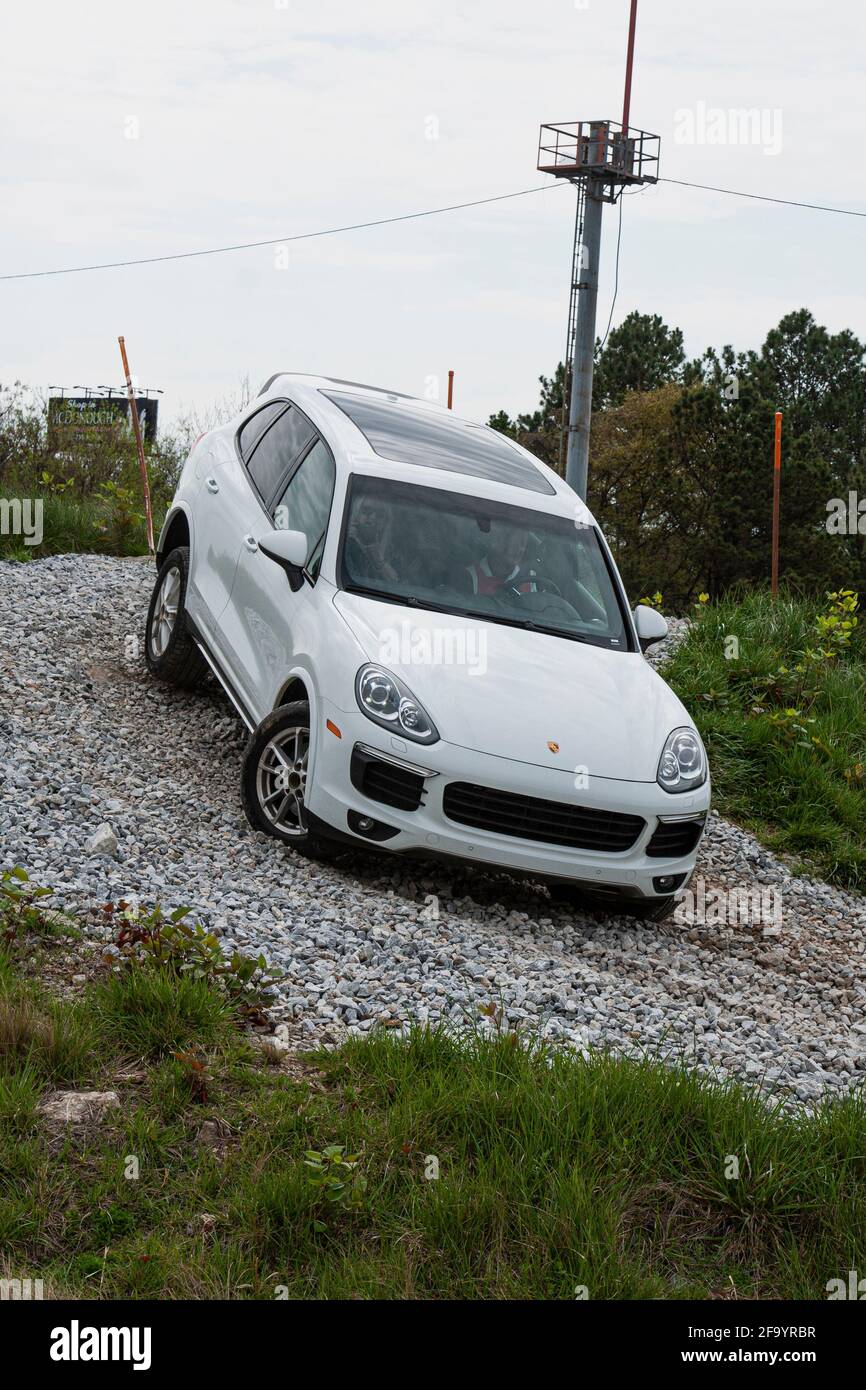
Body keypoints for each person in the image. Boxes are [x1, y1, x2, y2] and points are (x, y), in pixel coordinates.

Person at [463, 519, 538, 597]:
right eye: (517, 543)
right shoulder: (470, 577)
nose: (521, 550)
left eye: (523, 544)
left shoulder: (531, 579)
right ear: (498, 542)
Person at [345, 495, 398, 582]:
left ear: (385, 523)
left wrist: (379, 560)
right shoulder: (344, 548)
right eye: (367, 510)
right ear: (356, 516)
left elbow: (397, 584)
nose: (373, 517)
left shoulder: (394, 553)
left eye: (380, 514)